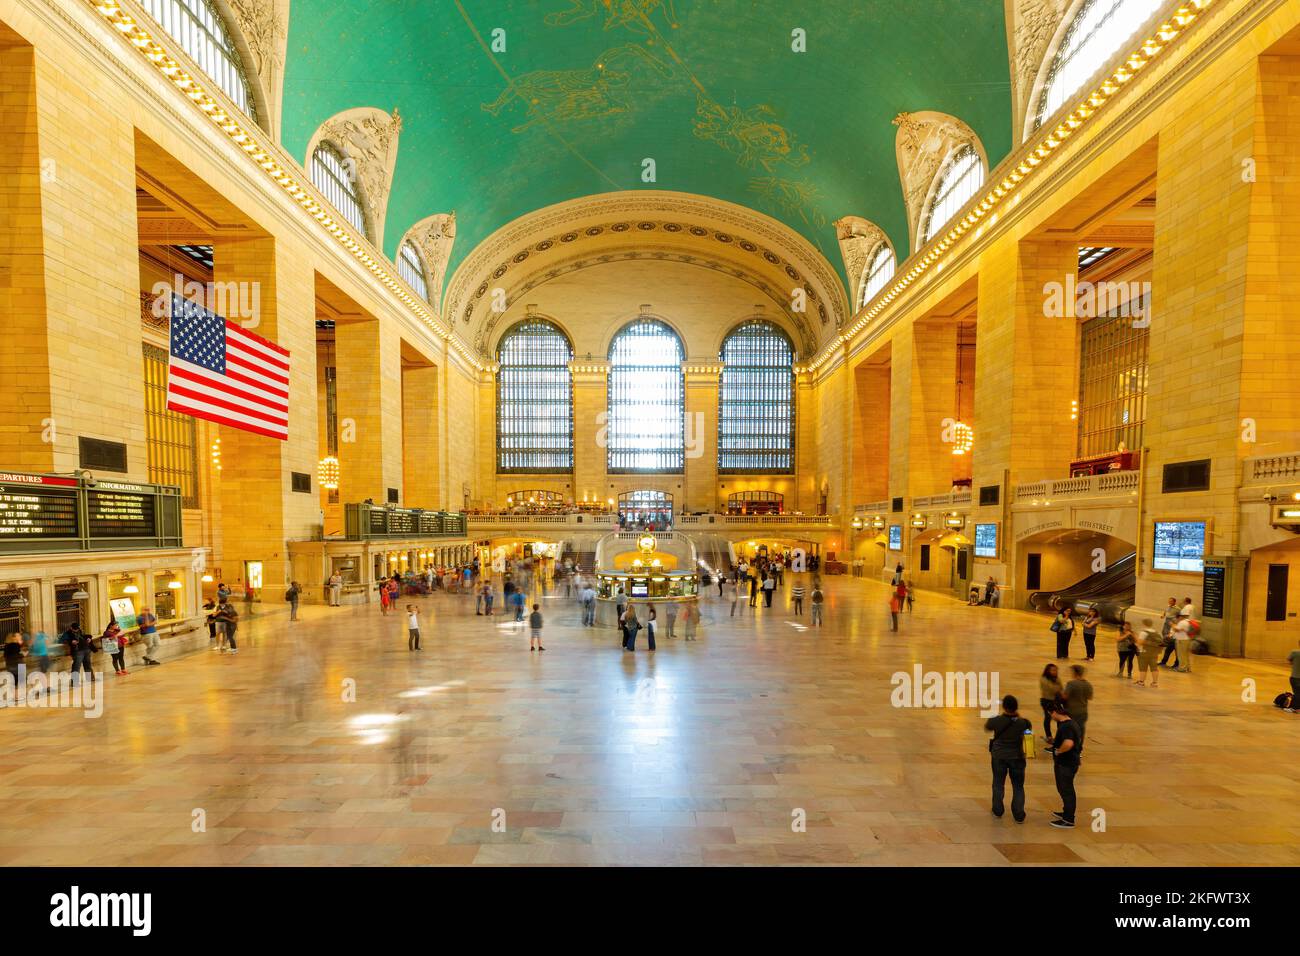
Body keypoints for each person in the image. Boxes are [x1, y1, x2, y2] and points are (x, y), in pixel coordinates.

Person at [985, 694, 1030, 823]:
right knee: (1018, 786)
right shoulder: (1024, 722)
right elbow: (1028, 731)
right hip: (1017, 757)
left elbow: (988, 726)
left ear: (1004, 707)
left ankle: (997, 810)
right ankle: (1019, 814)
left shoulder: (996, 720)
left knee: (998, 783)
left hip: (999, 756)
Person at [1048, 707, 1083, 828]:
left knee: (1066, 790)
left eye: (1051, 714)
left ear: (1056, 712)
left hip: (1066, 764)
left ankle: (1068, 819)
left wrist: (1058, 751)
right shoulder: (1071, 723)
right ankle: (1066, 812)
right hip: (1068, 763)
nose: (1051, 717)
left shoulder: (1067, 726)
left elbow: (1068, 743)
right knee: (1064, 789)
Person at [1064, 664, 1093, 744]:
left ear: (1074, 673)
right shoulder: (1088, 684)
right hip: (1083, 711)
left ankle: (1071, 746)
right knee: (1081, 729)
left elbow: (1065, 696)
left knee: (1070, 730)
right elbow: (1090, 697)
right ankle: (1079, 747)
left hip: (1072, 711)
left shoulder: (1071, 684)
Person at [1038, 663, 1063, 745]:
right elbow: (1052, 689)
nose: (1055, 672)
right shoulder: (1043, 679)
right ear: (1048, 671)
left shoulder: (1056, 679)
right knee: (1048, 718)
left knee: (1060, 718)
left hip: (1056, 701)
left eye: (1056, 670)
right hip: (1047, 701)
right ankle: (1049, 736)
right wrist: (1057, 687)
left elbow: (1061, 688)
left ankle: (1059, 736)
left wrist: (1057, 687)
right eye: (1053, 670)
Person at [1134, 618, 1160, 687]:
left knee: (1143, 667)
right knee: (1154, 668)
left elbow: (1140, 642)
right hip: (1154, 653)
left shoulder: (1143, 632)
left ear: (1144, 624)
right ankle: (1155, 683)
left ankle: (1141, 682)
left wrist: (1135, 639)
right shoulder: (1156, 632)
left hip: (1144, 652)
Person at [1159, 598, 1181, 668]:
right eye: (1169, 601)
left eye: (1171, 601)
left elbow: (1176, 630)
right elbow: (1165, 612)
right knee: (1168, 650)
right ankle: (1163, 662)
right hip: (1172, 639)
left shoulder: (1177, 619)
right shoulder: (1168, 607)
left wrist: (1172, 626)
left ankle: (1177, 664)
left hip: (1177, 640)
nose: (1169, 602)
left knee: (1177, 653)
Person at [1286, 639, 1300, 713]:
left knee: (1297, 693)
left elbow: (1289, 661)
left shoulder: (1295, 652)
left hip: (1295, 676)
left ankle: (1296, 708)